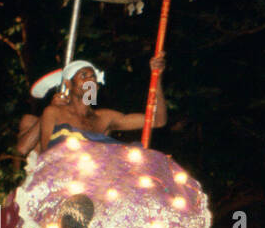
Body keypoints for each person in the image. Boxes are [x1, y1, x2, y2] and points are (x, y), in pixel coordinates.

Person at [28, 57, 168, 155]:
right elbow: (48, 156)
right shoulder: (53, 112)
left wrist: (158, 77)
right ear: (68, 84)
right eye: (83, 76)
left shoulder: (105, 117)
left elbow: (158, 121)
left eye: (93, 77)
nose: (90, 80)